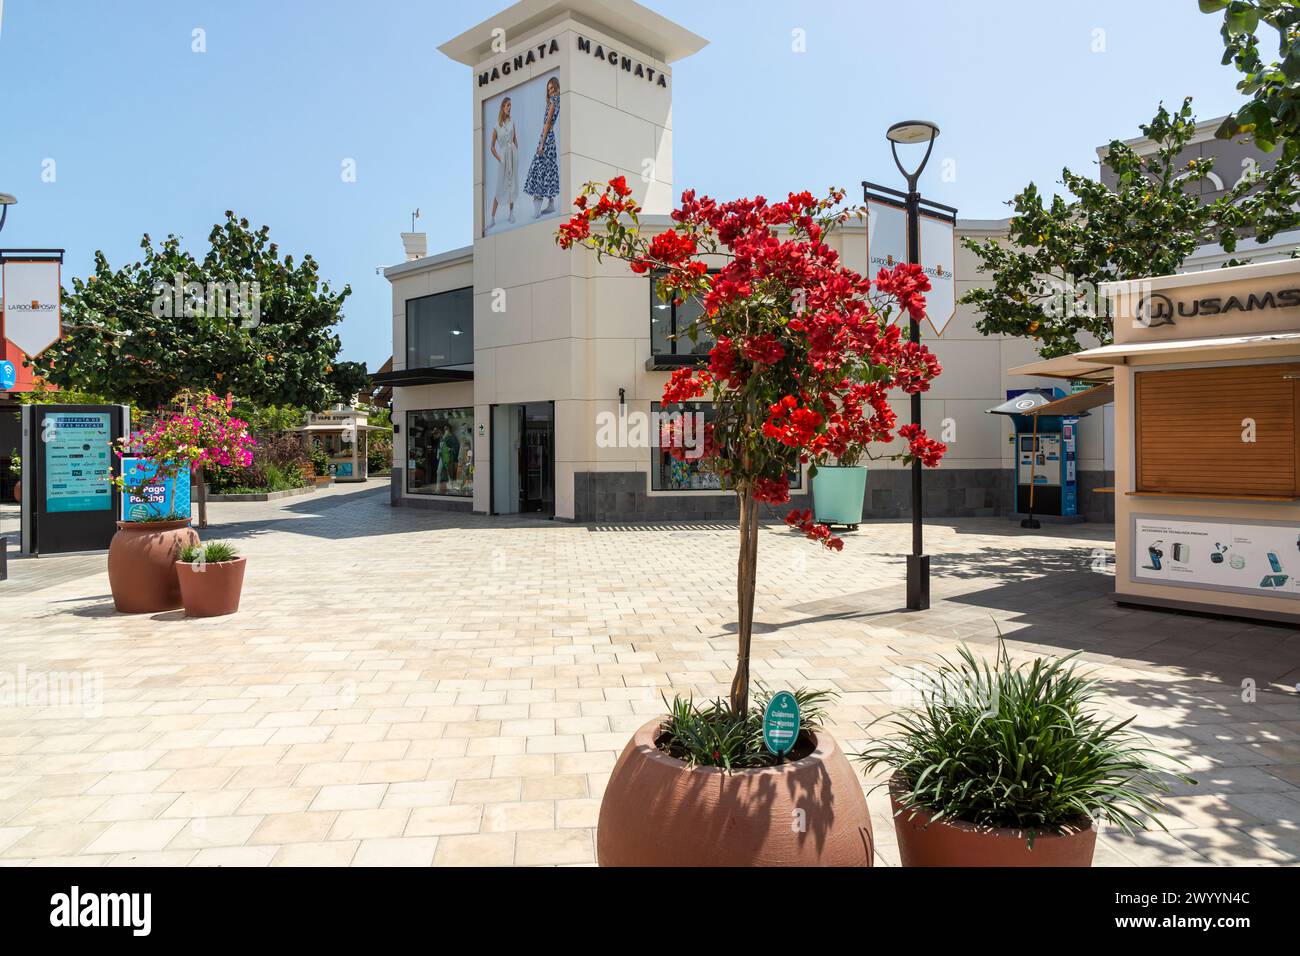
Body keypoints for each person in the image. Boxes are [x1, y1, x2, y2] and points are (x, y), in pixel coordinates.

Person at [523, 76, 560, 218]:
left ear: (557, 87)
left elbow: (547, 123)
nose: (550, 91)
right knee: (549, 169)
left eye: (552, 88)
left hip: (546, 138)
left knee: (538, 169)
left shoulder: (553, 101)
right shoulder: (559, 101)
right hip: (552, 140)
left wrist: (542, 144)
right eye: (549, 89)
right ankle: (551, 204)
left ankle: (536, 211)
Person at [487, 96, 518, 233]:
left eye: (510, 105)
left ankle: (511, 213)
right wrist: (499, 158)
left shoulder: (512, 122)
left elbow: (515, 138)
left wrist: (517, 154)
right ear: (502, 107)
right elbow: (492, 147)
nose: (509, 107)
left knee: (512, 184)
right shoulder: (496, 127)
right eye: (507, 105)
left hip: (512, 155)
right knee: (500, 186)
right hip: (503, 156)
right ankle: (492, 217)